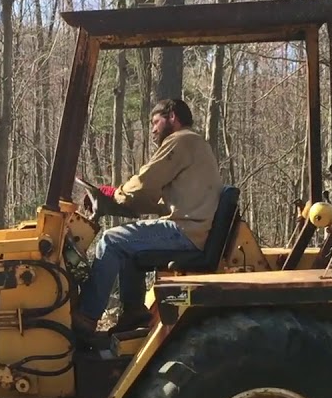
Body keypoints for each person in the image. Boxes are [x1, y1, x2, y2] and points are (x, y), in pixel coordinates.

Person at [72, 98, 221, 338]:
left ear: (172, 116)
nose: (152, 129)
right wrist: (115, 198)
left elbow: (145, 182)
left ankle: (87, 317)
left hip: (186, 231)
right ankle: (133, 311)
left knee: (111, 241)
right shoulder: (195, 145)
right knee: (129, 245)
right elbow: (155, 200)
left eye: (155, 122)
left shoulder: (181, 140)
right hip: (191, 227)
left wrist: (114, 193)